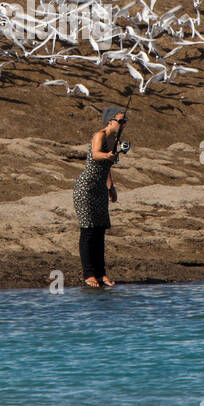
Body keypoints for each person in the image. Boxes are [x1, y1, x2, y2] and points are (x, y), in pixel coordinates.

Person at [73, 106, 125, 288]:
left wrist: (111, 188)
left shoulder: (114, 140)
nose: (123, 124)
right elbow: (95, 155)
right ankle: (89, 274)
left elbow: (106, 167)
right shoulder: (100, 135)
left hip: (101, 188)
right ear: (110, 121)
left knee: (100, 231)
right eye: (120, 121)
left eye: (124, 121)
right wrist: (107, 154)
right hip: (86, 188)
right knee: (88, 231)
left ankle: (101, 274)